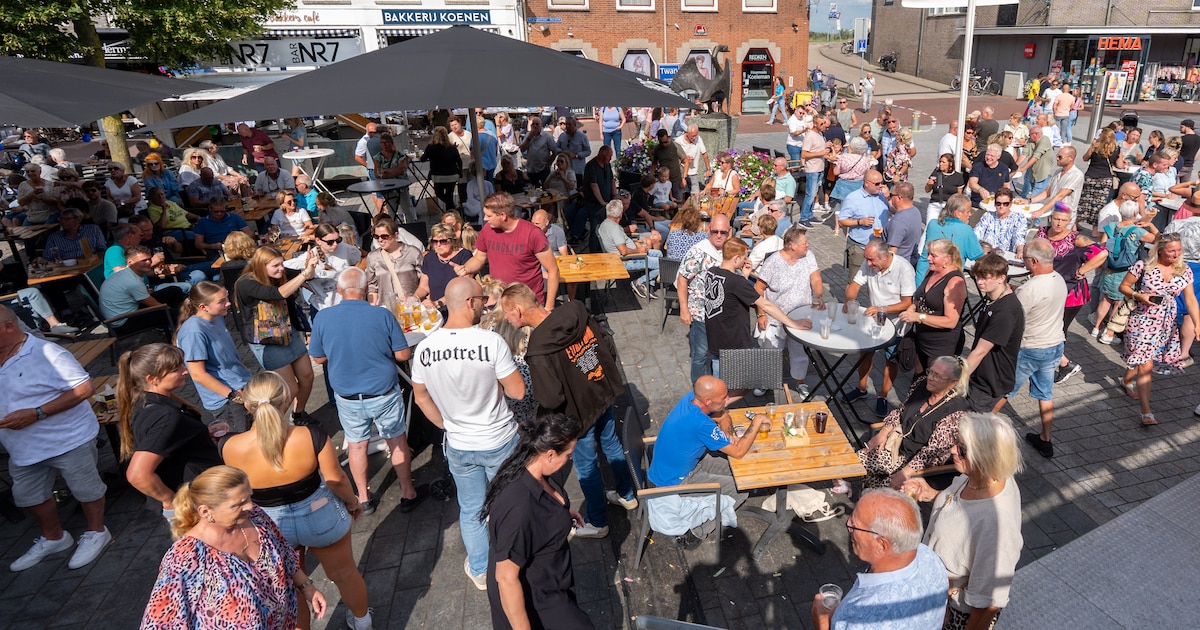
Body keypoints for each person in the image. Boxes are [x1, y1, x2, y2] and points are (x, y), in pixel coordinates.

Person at [219, 371, 373, 630]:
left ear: (246, 404)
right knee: (345, 574)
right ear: (288, 399)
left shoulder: (228, 446)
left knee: (292, 587)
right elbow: (335, 480)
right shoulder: (312, 436)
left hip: (270, 526)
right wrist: (353, 502)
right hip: (320, 516)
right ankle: (363, 622)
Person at [411, 277, 527, 590]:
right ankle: (515, 561)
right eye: (482, 299)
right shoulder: (490, 343)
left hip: (459, 444)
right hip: (498, 439)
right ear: (469, 302)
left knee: (472, 508)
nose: (485, 304)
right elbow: (517, 391)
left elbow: (420, 396)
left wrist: (445, 424)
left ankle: (480, 568)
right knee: (509, 502)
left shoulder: (424, 349)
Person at [500, 283, 638, 539]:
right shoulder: (575, 311)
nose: (506, 319)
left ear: (518, 310)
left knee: (586, 466)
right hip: (603, 394)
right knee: (612, 445)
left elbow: (551, 397)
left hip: (578, 416)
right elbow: (604, 347)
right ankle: (627, 495)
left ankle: (598, 522)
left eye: (507, 313)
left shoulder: (539, 348)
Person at [140, 466, 327, 629]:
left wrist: (307, 587)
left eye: (249, 497)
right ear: (206, 512)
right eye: (239, 504)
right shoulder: (185, 557)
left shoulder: (255, 516)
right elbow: (160, 622)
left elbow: (284, 551)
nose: (250, 506)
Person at [0, 306, 113, 572]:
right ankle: (55, 538)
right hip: (22, 447)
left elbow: (85, 388)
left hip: (67, 438)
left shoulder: (46, 352)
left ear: (8, 327)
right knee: (27, 496)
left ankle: (97, 531)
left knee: (86, 489)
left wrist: (37, 413)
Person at [309, 267, 423, 520]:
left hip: (347, 396)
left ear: (339, 291)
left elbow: (318, 357)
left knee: (357, 446)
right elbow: (403, 354)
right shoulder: (381, 315)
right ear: (365, 291)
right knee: (396, 442)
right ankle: (408, 491)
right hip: (383, 392)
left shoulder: (323, 318)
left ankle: (363, 497)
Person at [901, 413, 1025, 630]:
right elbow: (959, 505)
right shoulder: (981, 475)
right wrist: (930, 493)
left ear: (986, 456)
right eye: (956, 442)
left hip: (956, 613)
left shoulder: (997, 526)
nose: (952, 451)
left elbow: (990, 602)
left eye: (963, 449)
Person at [481, 413, 594, 630]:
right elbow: (505, 578)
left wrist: (562, 513)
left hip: (551, 583)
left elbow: (542, 509)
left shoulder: (531, 470)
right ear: (550, 454)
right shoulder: (519, 508)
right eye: (568, 455)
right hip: (536, 596)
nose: (570, 459)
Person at [650, 376, 768, 546]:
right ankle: (695, 534)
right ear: (707, 400)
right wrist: (756, 421)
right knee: (741, 488)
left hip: (685, 465)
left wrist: (726, 432)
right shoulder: (701, 424)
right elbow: (739, 451)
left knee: (741, 472)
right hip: (676, 482)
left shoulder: (691, 399)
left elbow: (723, 416)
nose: (727, 400)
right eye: (724, 398)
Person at [810, 488, 948, 630]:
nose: (848, 526)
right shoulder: (930, 558)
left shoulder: (863, 617)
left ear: (881, 545)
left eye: (855, 525)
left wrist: (821, 621)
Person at [116, 342, 222, 520]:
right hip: (196, 502)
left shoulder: (145, 403)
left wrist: (200, 433)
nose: (185, 370)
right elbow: (137, 474)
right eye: (175, 369)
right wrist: (170, 501)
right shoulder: (166, 416)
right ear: (152, 379)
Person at [1120, 233, 1200, 426]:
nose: (1176, 254)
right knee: (1146, 365)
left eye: (1179, 250)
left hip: (1166, 323)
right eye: (1172, 250)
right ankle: (1146, 413)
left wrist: (1198, 324)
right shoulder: (1143, 266)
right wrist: (1139, 295)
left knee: (1140, 360)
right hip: (1141, 320)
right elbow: (1124, 286)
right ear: (1160, 250)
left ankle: (1126, 379)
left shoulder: (1184, 270)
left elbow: (1190, 299)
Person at [997, 239, 1067, 457]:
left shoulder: (1031, 288)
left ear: (1035, 261)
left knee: (1004, 390)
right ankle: (1046, 439)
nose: (1023, 262)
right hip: (1054, 345)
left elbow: (1013, 316)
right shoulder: (1058, 279)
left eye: (1025, 259)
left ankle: (976, 431)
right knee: (1045, 394)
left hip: (1030, 348)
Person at [233, 246, 318, 426]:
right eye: (276, 266)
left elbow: (304, 274)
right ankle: (269, 426)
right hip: (267, 340)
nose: (281, 269)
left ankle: (299, 414)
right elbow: (277, 294)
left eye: (282, 264)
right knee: (289, 389)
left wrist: (308, 268)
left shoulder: (279, 273)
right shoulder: (246, 283)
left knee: (307, 376)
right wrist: (303, 275)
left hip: (288, 332)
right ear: (261, 266)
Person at [856, 356, 970, 489]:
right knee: (858, 459)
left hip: (915, 464)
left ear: (953, 383)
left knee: (883, 489)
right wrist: (883, 432)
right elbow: (900, 411)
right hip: (896, 446)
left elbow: (932, 454)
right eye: (931, 372)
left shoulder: (955, 412)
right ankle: (861, 493)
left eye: (938, 376)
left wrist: (904, 473)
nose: (931, 377)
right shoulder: (921, 383)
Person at [706, 238, 808, 369]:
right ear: (736, 258)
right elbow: (766, 305)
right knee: (735, 386)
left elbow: (729, 293)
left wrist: (744, 276)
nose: (746, 261)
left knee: (718, 378)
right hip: (733, 344)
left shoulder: (711, 272)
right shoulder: (736, 282)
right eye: (744, 257)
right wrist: (792, 323)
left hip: (716, 339)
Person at [843, 240, 916, 417]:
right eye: (866, 259)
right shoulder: (870, 263)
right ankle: (861, 388)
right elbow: (854, 286)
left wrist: (882, 308)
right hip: (874, 321)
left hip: (897, 324)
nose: (868, 264)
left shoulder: (904, 268)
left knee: (891, 360)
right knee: (865, 354)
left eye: (871, 260)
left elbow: (907, 302)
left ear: (884, 256)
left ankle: (882, 395)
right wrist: (849, 300)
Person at [1035, 207, 1107, 384]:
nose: (1059, 223)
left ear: (1069, 221)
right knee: (1047, 328)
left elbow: (1102, 253)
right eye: (1056, 219)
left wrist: (1083, 270)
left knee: (1058, 330)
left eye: (1063, 220)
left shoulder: (1076, 239)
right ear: (1051, 218)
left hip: (1070, 293)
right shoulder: (1042, 232)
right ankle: (1060, 363)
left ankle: (1060, 365)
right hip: (1046, 289)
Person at [174, 282, 254, 433]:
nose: (228, 303)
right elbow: (198, 374)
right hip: (227, 400)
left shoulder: (216, 317)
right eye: (221, 301)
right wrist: (233, 396)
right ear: (203, 307)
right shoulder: (194, 332)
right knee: (239, 444)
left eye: (227, 298)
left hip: (241, 386)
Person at [456, 192, 559, 309]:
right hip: (500, 303)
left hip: (528, 304)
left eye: (489, 216)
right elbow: (479, 258)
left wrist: (549, 308)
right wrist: (466, 268)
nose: (485, 219)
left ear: (503, 215)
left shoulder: (532, 233)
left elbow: (553, 270)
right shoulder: (487, 230)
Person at [755, 225, 823, 397]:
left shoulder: (808, 256)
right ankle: (765, 381)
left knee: (799, 353)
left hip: (801, 316)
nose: (808, 245)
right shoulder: (773, 262)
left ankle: (801, 382)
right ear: (792, 245)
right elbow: (758, 288)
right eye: (804, 243)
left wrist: (819, 295)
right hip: (775, 317)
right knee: (770, 351)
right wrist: (761, 313)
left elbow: (815, 277)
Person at [1094, 200, 1159, 342]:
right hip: (1126, 270)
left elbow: (1103, 246)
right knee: (1119, 302)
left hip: (1110, 267)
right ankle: (1109, 332)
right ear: (1135, 214)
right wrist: (1151, 224)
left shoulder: (1111, 227)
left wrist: (1099, 264)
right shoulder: (1137, 231)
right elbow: (1158, 239)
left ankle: (1096, 327)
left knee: (1105, 299)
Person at [899, 239, 967, 373]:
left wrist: (919, 317)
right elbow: (922, 299)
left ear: (947, 259)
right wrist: (913, 307)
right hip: (921, 338)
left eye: (933, 256)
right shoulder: (931, 272)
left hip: (940, 345)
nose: (928, 259)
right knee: (918, 381)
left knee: (935, 384)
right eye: (929, 254)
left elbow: (951, 321)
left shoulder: (955, 282)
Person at [678, 214, 730, 382]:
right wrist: (684, 309)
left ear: (729, 232)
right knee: (700, 354)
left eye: (723, 232)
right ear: (708, 230)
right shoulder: (698, 251)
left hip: (722, 316)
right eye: (715, 231)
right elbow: (682, 279)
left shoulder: (730, 249)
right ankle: (699, 392)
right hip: (701, 314)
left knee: (719, 354)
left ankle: (716, 389)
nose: (719, 235)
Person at [99, 245, 187, 335]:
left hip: (129, 311)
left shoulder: (128, 273)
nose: (148, 262)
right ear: (130, 262)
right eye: (143, 261)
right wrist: (170, 310)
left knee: (175, 290)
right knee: (177, 313)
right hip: (122, 323)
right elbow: (153, 304)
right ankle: (178, 330)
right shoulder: (132, 281)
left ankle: (174, 325)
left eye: (149, 259)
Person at [597, 200, 661, 299]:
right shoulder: (615, 229)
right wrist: (639, 251)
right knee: (661, 263)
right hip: (627, 260)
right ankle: (639, 282)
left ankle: (649, 285)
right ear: (620, 214)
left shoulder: (606, 224)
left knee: (659, 254)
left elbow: (623, 237)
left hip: (628, 256)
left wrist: (637, 244)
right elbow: (623, 251)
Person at [915, 195, 983, 283]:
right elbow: (979, 258)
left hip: (922, 278)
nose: (970, 214)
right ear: (958, 213)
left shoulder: (932, 224)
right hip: (948, 281)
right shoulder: (966, 230)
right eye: (968, 211)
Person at [838, 170, 889, 272]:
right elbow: (841, 221)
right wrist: (859, 222)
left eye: (882, 183)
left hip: (880, 248)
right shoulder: (853, 198)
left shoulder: (882, 196)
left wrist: (888, 197)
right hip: (860, 248)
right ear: (866, 183)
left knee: (875, 284)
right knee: (854, 281)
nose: (880, 186)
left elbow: (895, 210)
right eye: (877, 184)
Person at [415, 222, 474, 308]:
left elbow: (463, 288)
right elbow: (424, 287)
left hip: (459, 307)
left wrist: (438, 303)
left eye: (443, 241)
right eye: (434, 242)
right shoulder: (429, 258)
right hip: (436, 310)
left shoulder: (464, 256)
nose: (438, 245)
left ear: (453, 241)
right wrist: (414, 298)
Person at [1024, 146, 1084, 223]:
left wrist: (1041, 211)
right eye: (1057, 156)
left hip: (1064, 219)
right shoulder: (1058, 172)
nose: (1057, 158)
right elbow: (1047, 192)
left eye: (1060, 157)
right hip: (1053, 215)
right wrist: (1028, 200)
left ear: (1071, 158)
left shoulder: (1076, 175)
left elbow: (1060, 196)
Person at [973, 188, 1027, 258]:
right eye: (998, 203)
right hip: (986, 255)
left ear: (1010, 204)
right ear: (994, 204)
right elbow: (977, 232)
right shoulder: (988, 215)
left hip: (1006, 256)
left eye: (1005, 204)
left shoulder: (1019, 218)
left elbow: (1019, 237)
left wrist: (1020, 251)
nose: (1001, 206)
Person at [421, 126, 464, 210]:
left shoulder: (431, 147)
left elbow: (423, 159)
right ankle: (451, 210)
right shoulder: (452, 147)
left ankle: (452, 207)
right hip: (452, 174)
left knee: (439, 193)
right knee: (450, 194)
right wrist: (460, 171)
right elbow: (459, 161)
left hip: (438, 175)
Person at [882, 182, 924, 267]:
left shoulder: (898, 222)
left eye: (892, 195)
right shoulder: (915, 211)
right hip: (911, 261)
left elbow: (892, 252)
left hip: (898, 265)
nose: (891, 197)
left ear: (899, 198)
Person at [678, 124, 712, 195]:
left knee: (696, 195)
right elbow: (674, 158)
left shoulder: (698, 139)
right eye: (693, 136)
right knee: (682, 195)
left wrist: (708, 169)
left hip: (693, 172)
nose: (694, 138)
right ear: (687, 133)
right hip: (682, 172)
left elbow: (705, 155)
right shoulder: (679, 141)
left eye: (696, 135)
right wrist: (684, 159)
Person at [556, 118, 592, 182]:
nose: (567, 126)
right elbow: (555, 148)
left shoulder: (582, 136)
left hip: (577, 169)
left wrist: (576, 155)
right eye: (566, 124)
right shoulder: (562, 136)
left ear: (575, 125)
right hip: (564, 170)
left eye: (569, 124)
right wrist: (561, 152)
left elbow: (588, 151)